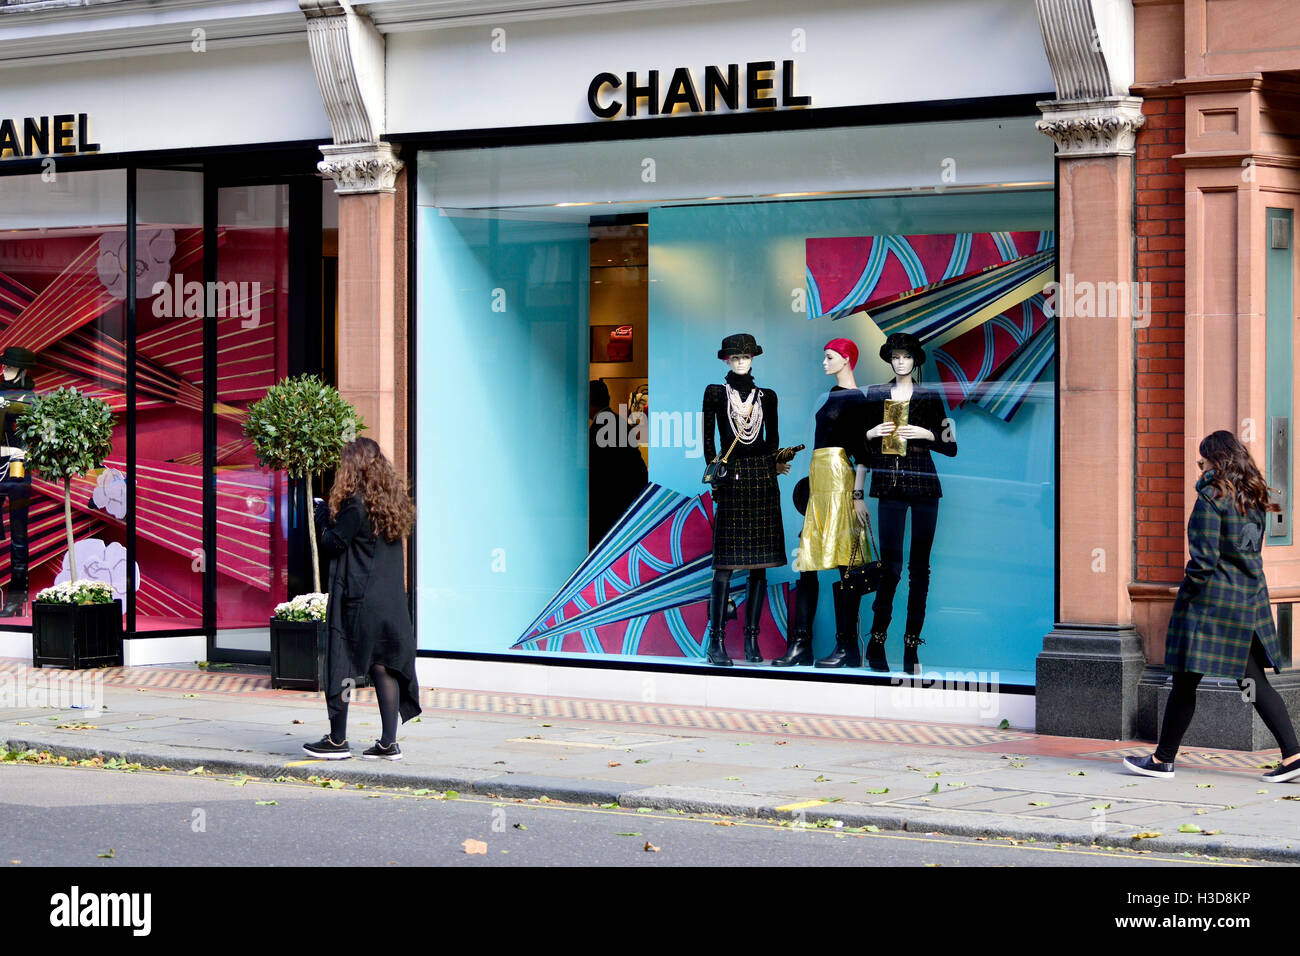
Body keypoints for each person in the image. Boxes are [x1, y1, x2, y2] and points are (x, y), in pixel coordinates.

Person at [1124, 429, 1300, 781]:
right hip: (1248, 600)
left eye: (1202, 458)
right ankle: (1294, 755)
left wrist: (1186, 595)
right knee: (1252, 682)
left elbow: (1203, 562)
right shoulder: (1252, 495)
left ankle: (1162, 761)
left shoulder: (1211, 498)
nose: (1198, 464)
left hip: (1211, 607)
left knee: (1185, 683)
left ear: (1215, 460)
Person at [303, 437, 421, 761]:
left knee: (342, 663)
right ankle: (388, 744)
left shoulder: (355, 505)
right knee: (384, 666)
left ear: (352, 467)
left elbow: (333, 544)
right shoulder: (389, 505)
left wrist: (321, 514)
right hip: (392, 601)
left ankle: (337, 740)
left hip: (360, 600)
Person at [862, 332, 957, 674]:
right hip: (888, 484)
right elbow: (860, 444)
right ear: (890, 359)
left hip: (924, 486)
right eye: (896, 356)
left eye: (906, 357)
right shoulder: (876, 395)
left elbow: (950, 444)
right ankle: (876, 642)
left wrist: (926, 434)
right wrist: (872, 434)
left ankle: (911, 647)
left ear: (916, 360)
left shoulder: (930, 396)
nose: (901, 362)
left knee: (920, 570)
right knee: (890, 568)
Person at [775, 338, 868, 668]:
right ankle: (802, 644)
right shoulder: (832, 396)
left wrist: (857, 495)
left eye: (829, 357)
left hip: (840, 479)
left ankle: (847, 647)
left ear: (846, 359)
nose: (824, 362)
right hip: (821, 480)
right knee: (808, 562)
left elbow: (864, 452)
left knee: (845, 560)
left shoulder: (857, 399)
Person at [702, 333, 790, 665]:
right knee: (724, 565)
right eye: (736, 358)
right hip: (732, 476)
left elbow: (773, 439)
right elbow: (708, 440)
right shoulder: (714, 393)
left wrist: (776, 463)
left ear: (753, 359)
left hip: (762, 477)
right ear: (727, 360)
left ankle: (751, 640)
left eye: (747, 357)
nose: (741, 362)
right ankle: (717, 642)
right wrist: (716, 473)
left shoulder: (767, 396)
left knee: (759, 565)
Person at [589, 379, 648, 549]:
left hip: (608, 505)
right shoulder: (621, 423)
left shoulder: (599, 428)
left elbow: (598, 471)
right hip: (626, 500)